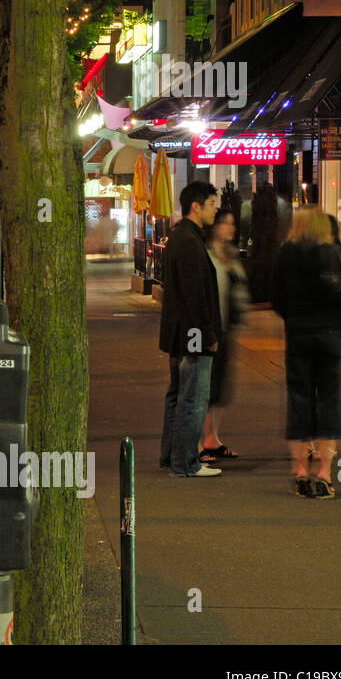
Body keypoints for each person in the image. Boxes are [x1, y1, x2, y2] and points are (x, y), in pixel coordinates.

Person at [270, 207, 341, 498]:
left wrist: (294, 320)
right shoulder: (334, 252)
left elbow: (276, 297)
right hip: (332, 336)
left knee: (299, 398)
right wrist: (340, 327)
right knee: (330, 400)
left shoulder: (287, 254)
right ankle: (325, 473)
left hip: (299, 336)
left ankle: (300, 470)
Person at [158, 180, 223, 478]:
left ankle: (172, 458)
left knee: (178, 396)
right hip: (191, 336)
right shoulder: (189, 241)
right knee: (192, 398)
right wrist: (206, 338)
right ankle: (186, 462)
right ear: (195, 206)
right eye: (211, 204)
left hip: (180, 335)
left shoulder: (180, 237)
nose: (216, 209)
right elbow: (195, 297)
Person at [200, 208, 249, 461]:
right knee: (206, 386)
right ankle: (200, 441)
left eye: (233, 224)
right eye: (226, 224)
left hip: (228, 328)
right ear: (216, 227)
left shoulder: (231, 256)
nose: (231, 229)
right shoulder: (208, 255)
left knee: (220, 387)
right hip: (213, 328)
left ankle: (213, 437)